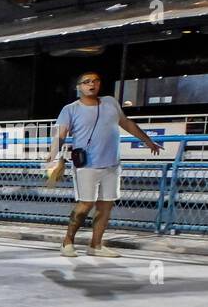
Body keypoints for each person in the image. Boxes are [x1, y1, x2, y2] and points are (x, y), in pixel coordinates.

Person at [47, 70, 162, 257]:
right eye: (86, 82)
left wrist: (147, 140)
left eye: (95, 81)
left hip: (112, 164)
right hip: (87, 165)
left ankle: (96, 245)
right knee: (86, 204)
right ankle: (68, 241)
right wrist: (51, 157)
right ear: (79, 87)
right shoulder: (70, 109)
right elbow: (60, 135)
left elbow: (126, 123)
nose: (92, 84)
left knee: (106, 206)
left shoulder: (110, 102)